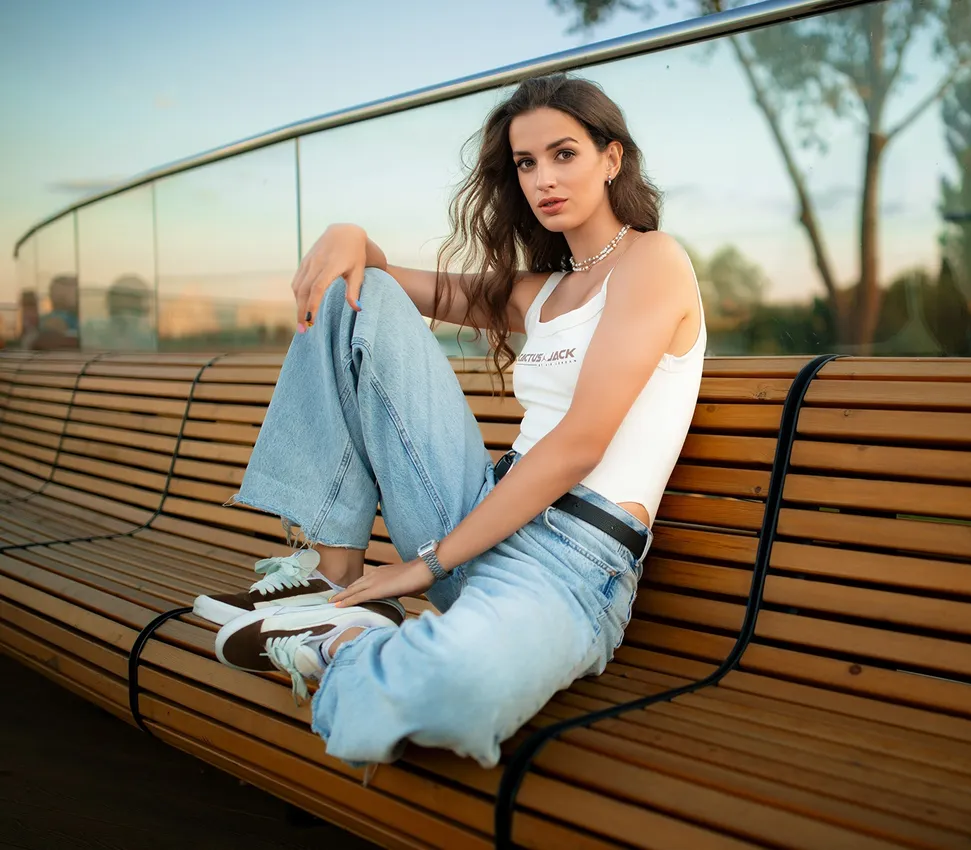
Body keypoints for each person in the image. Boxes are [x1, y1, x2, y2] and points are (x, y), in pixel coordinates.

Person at [192, 73, 706, 772]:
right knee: (356, 293)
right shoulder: (540, 292)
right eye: (526, 163)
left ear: (612, 158)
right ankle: (331, 575)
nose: (543, 179)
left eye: (564, 154)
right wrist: (349, 233)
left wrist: (427, 565)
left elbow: (581, 445)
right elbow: (377, 277)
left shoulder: (655, 261)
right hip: (477, 509)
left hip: (570, 560)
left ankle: (336, 643)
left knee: (457, 691)